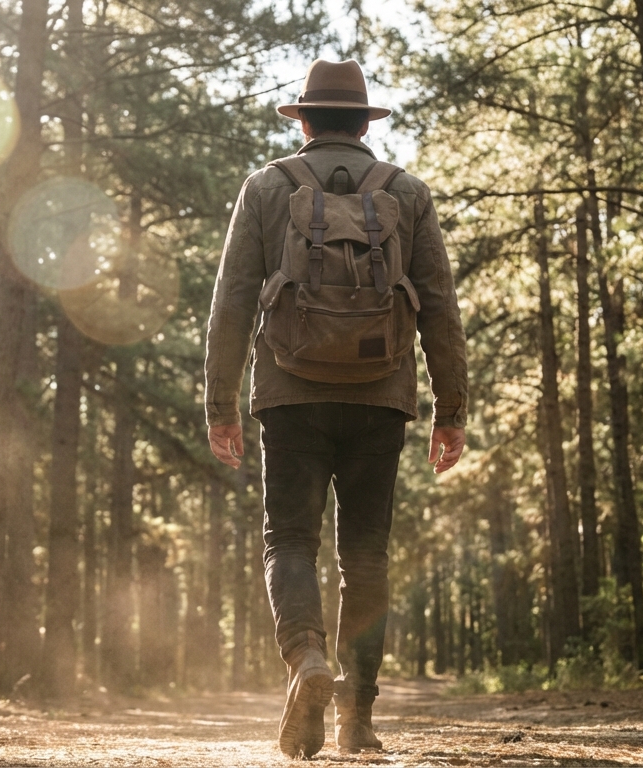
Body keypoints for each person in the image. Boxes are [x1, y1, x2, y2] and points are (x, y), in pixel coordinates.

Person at [203, 58, 469, 758]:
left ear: (305, 119)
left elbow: (232, 300)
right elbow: (439, 304)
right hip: (382, 395)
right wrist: (453, 409)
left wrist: (219, 403)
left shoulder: (267, 186)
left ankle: (306, 661)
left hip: (289, 392)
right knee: (366, 558)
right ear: (363, 122)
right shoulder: (406, 194)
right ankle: (358, 721)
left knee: (290, 540)